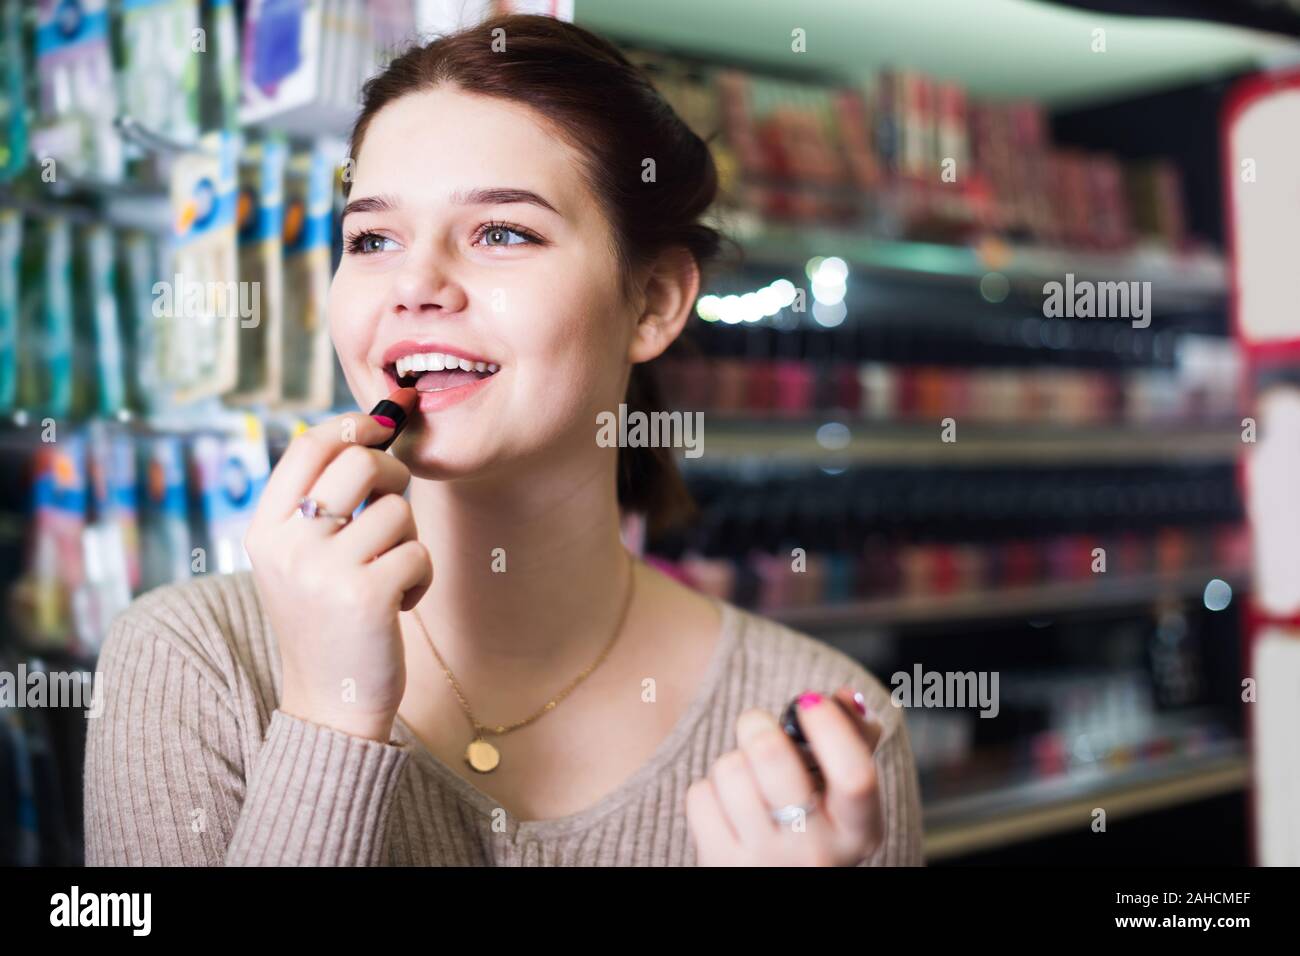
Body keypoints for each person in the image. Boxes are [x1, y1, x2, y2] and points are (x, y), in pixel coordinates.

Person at [83, 13, 924, 866]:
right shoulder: (187, 660)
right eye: (372, 239)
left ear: (655, 301)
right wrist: (329, 718)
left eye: (502, 233)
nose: (414, 285)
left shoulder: (827, 740)